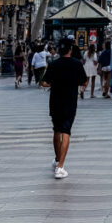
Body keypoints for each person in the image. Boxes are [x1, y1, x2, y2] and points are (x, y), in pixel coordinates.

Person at [41, 39, 87, 179]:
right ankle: (60, 167)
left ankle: (57, 159)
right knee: (66, 131)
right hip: (70, 101)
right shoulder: (76, 64)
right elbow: (84, 81)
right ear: (70, 50)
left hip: (55, 101)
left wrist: (55, 83)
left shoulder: (53, 64)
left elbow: (44, 82)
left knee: (56, 130)